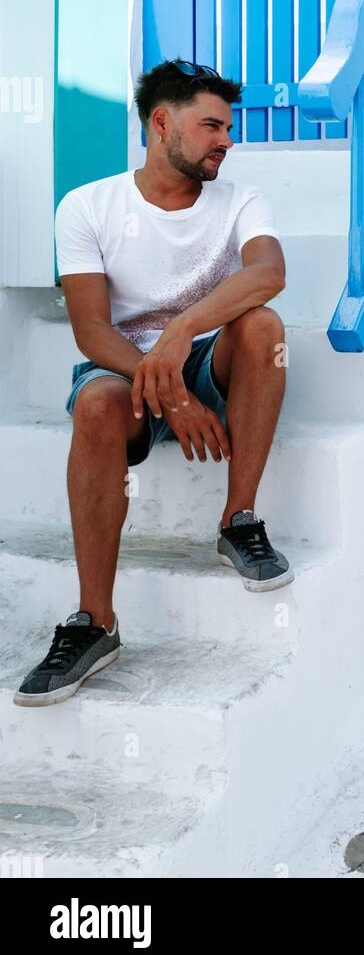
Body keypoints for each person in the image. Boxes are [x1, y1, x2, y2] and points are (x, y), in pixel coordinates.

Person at [15, 59, 291, 707]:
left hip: (204, 357)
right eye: (212, 126)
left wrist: (182, 330)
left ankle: (238, 520)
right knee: (95, 405)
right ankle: (95, 622)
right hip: (125, 369)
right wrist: (173, 394)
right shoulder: (88, 205)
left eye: (228, 128)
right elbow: (91, 329)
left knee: (262, 327)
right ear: (162, 123)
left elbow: (269, 273)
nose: (227, 140)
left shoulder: (240, 200)